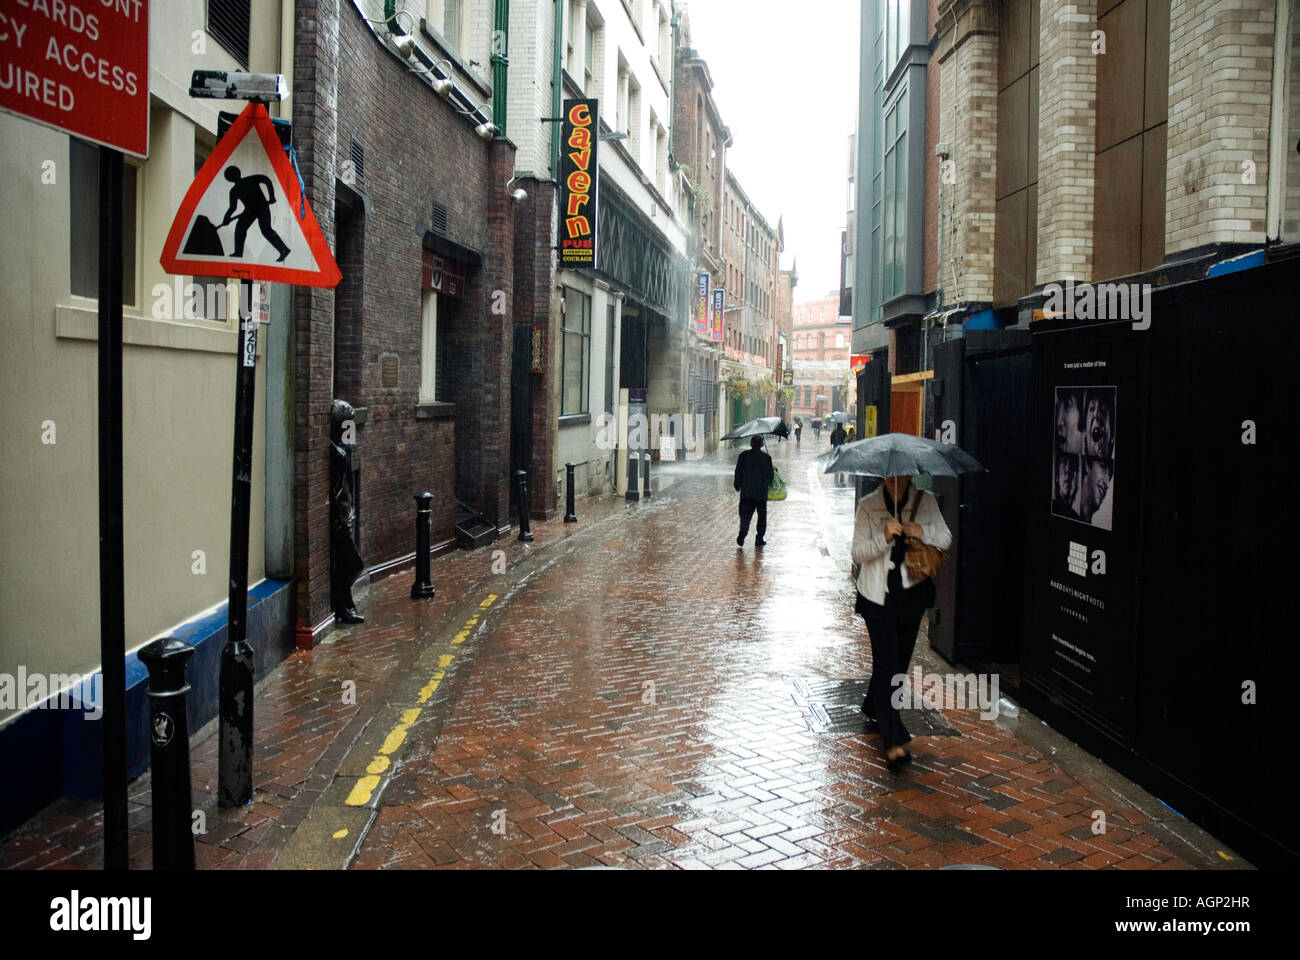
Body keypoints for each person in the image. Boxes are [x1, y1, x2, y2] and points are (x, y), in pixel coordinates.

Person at [851, 474, 952, 771]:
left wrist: (921, 530)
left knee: (898, 663)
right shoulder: (868, 505)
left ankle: (873, 704)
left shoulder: (926, 501)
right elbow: (857, 552)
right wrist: (882, 537)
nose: (895, 480)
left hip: (912, 596)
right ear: (883, 475)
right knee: (887, 661)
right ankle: (892, 737)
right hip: (876, 597)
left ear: (909, 475)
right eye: (890, 476)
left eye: (901, 475)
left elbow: (945, 537)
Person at [734, 435, 774, 548]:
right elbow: (770, 477)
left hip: (746, 492)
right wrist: (772, 470)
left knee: (745, 515)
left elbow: (738, 472)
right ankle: (759, 538)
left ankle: (743, 532)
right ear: (762, 445)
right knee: (762, 517)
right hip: (761, 493)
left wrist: (737, 485)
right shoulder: (767, 458)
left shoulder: (743, 456)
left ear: (751, 444)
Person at [830, 421, 849, 486]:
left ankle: (836, 478)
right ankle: (841, 478)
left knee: (836, 461)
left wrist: (832, 445)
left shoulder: (834, 431)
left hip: (836, 448)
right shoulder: (844, 432)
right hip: (842, 449)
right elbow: (846, 440)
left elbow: (831, 439)